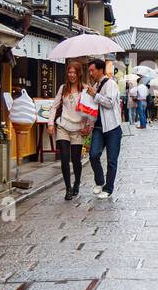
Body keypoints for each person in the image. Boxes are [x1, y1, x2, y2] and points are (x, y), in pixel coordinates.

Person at [52, 61, 90, 200]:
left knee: (76, 160)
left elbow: (90, 111)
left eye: (74, 72)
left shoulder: (85, 89)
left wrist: (88, 126)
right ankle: (68, 188)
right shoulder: (63, 88)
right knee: (64, 159)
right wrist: (51, 123)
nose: (71, 75)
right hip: (63, 126)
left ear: (79, 74)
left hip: (78, 128)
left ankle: (77, 183)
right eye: (69, 72)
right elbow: (54, 106)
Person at [86, 58, 122, 198]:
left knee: (112, 160)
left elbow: (109, 103)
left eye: (92, 70)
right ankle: (100, 181)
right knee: (93, 155)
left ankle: (108, 189)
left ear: (100, 70)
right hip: (98, 127)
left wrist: (95, 95)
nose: (90, 73)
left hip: (112, 127)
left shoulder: (111, 84)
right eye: (89, 70)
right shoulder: (96, 85)